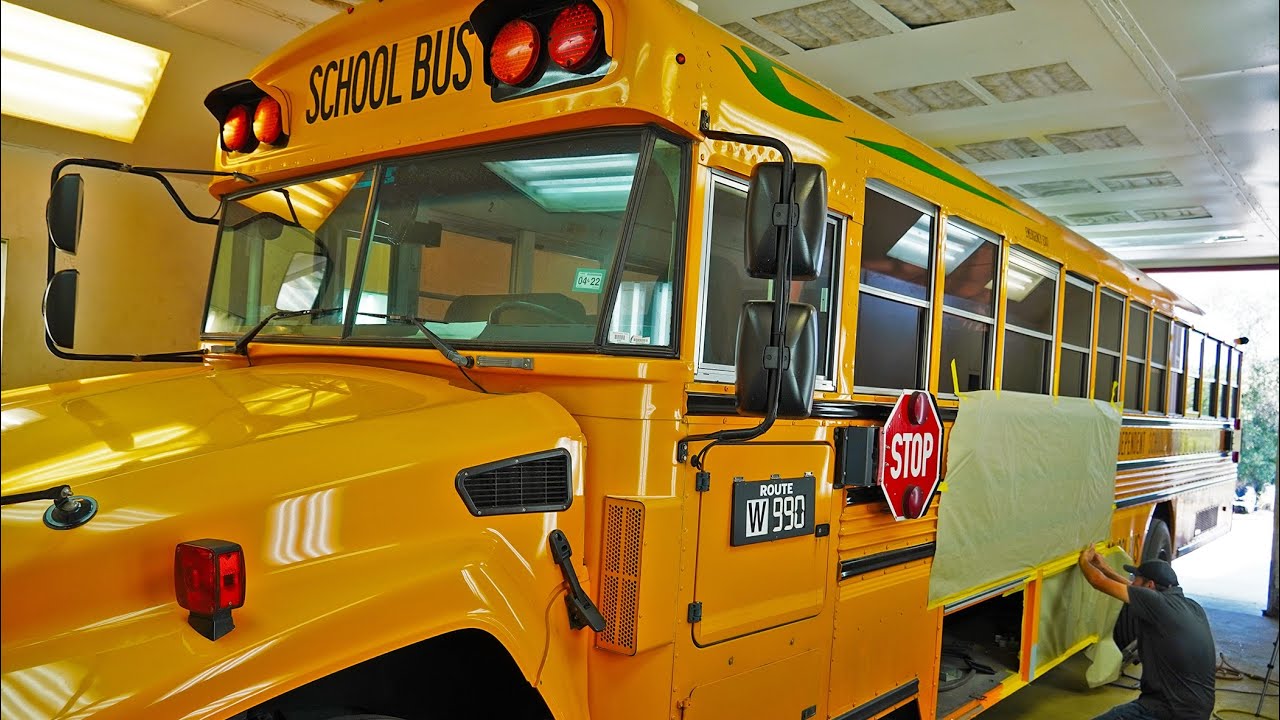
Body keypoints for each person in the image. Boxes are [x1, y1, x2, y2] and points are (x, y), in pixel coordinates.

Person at [1077, 546, 1217, 720]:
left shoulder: (1154, 603)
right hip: (1198, 711)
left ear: (1150, 585)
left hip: (1169, 710)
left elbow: (1097, 581)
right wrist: (1104, 568)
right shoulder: (1192, 606)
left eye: (1136, 579)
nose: (1132, 582)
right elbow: (1132, 589)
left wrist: (1084, 560)